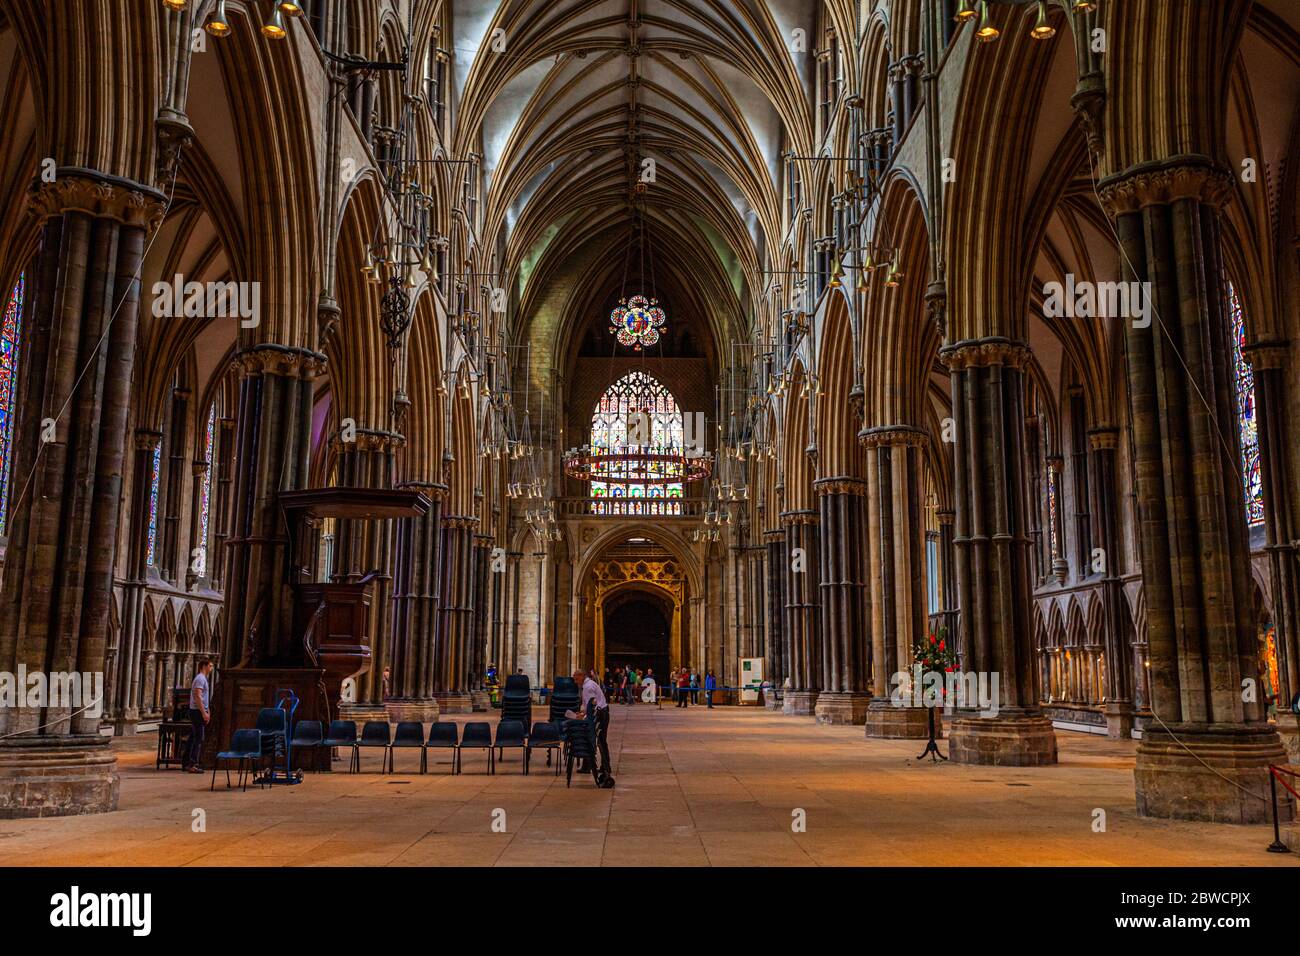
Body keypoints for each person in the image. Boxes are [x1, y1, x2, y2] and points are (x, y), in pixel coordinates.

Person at [565, 668, 610, 780]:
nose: (575, 682)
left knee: (600, 740)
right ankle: (589, 765)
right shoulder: (588, 685)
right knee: (592, 738)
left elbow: (591, 707)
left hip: (601, 714)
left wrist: (582, 716)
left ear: (582, 676)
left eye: (576, 679)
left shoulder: (588, 687)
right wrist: (582, 713)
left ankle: (605, 767)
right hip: (601, 711)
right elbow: (588, 706)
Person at [182, 658, 213, 774]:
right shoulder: (200, 678)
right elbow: (198, 696)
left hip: (198, 711)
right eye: (210, 666)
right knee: (199, 737)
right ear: (204, 666)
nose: (211, 668)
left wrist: (207, 710)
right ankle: (192, 764)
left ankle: (186, 762)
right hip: (197, 711)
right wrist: (203, 712)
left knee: (193, 737)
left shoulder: (203, 679)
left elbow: (204, 698)